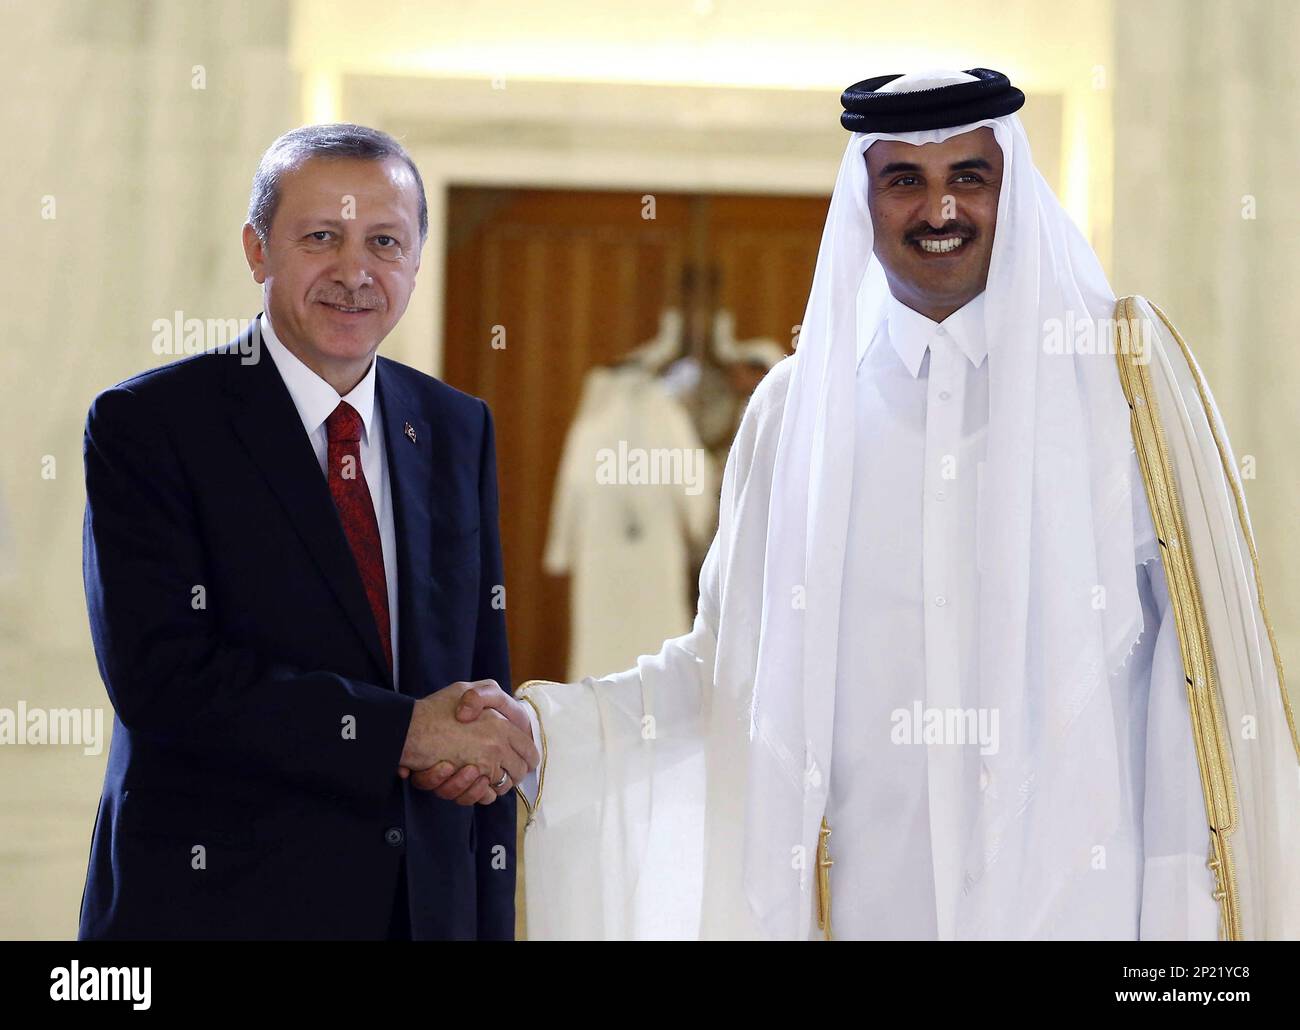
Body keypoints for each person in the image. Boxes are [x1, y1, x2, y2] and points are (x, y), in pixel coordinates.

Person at [418, 70, 1300, 940]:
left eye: (970, 177)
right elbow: (730, 670)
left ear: (1013, 190)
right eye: (904, 180)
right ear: (863, 201)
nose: (940, 209)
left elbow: (1200, 698)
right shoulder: (795, 414)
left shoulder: (1126, 385)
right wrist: (547, 732)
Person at [78, 124, 538, 940]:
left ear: (417, 262)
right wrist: (402, 733)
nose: (355, 272)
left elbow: (474, 681)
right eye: (321, 237)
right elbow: (164, 680)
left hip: (419, 912)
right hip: (217, 907)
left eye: (385, 242)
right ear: (258, 251)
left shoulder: (455, 427)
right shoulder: (150, 425)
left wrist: (478, 760)